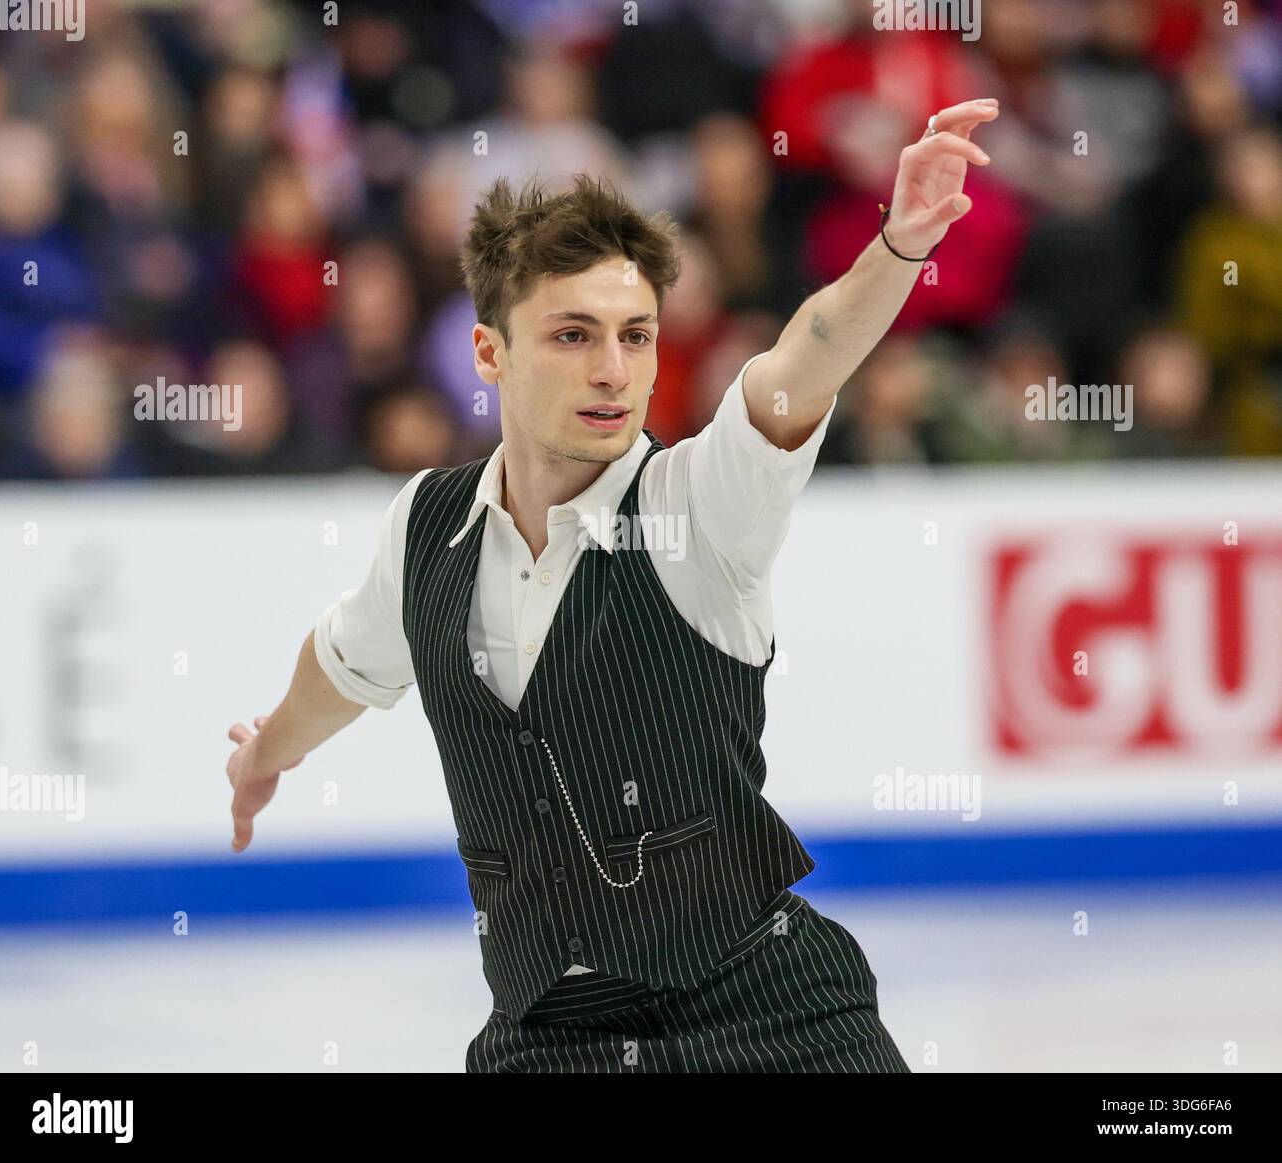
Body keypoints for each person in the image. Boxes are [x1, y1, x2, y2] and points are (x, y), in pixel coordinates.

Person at [225, 99, 1000, 1072]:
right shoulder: (427, 529)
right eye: (572, 335)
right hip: (554, 1039)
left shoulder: (701, 503)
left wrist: (897, 245)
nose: (613, 369)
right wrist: (268, 752)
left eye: (636, 335)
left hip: (775, 1022)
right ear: (488, 352)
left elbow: (801, 362)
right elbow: (343, 660)